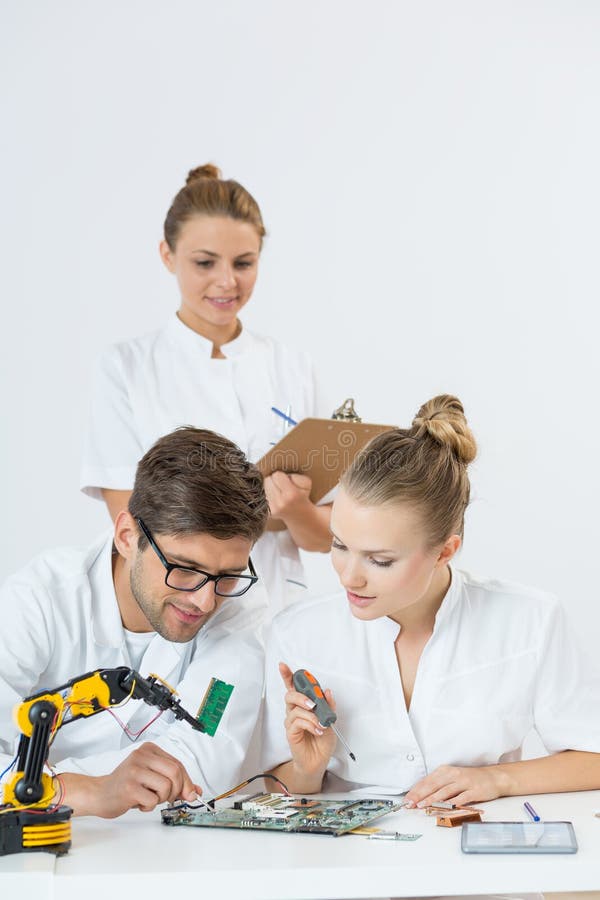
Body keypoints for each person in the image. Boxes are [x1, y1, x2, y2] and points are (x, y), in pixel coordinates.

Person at [261, 394, 600, 803]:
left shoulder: (531, 621)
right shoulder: (297, 633)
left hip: (471, 854)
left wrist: (498, 780)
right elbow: (276, 782)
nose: (349, 576)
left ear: (445, 551)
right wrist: (306, 768)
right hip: (344, 860)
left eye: (380, 560)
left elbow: (592, 754)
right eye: (339, 544)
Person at [80, 163, 331, 613]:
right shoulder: (126, 368)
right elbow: (136, 525)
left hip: (280, 604)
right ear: (167, 255)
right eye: (204, 263)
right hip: (180, 606)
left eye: (243, 263)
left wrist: (295, 511)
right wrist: (269, 510)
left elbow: (328, 535)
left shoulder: (294, 367)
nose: (226, 282)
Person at [0, 427, 269, 818]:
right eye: (185, 568)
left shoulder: (239, 607)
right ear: (127, 536)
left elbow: (205, 755)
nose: (205, 600)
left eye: (226, 574)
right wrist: (79, 790)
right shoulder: (38, 600)